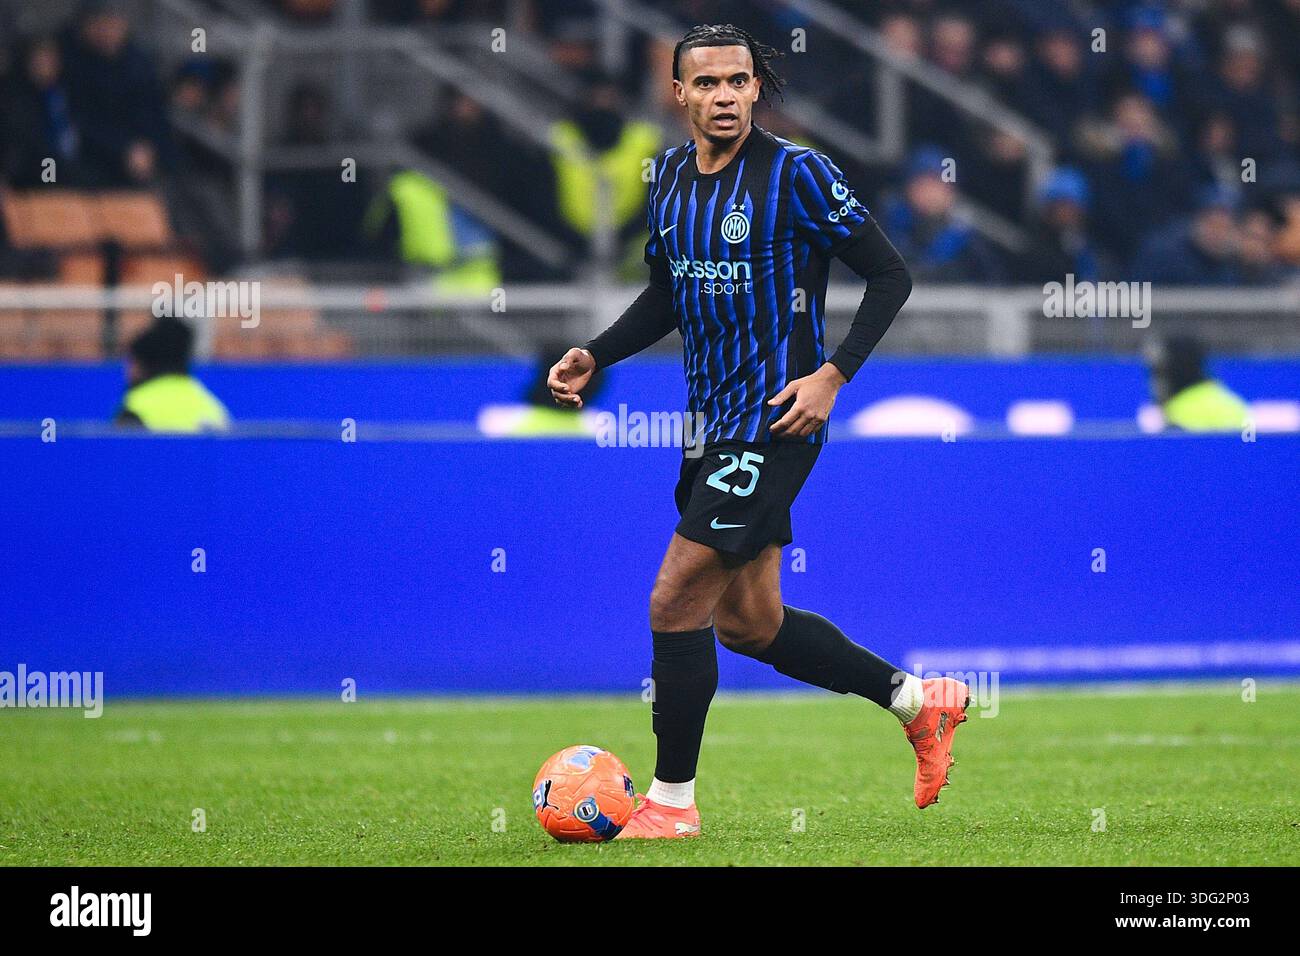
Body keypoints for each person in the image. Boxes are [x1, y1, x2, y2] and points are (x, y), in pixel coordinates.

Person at [546, 24, 969, 840]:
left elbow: (890, 274)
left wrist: (832, 376)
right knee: (749, 625)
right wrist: (596, 354)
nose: (725, 97)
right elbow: (670, 296)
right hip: (707, 424)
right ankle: (920, 703)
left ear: (755, 89)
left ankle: (671, 806)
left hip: (776, 422)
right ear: (679, 95)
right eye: (707, 84)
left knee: (673, 599)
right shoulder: (668, 177)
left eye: (739, 82)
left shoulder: (798, 174)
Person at [115, 317, 231, 433]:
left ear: (141, 365)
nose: (128, 371)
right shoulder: (213, 408)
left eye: (131, 363)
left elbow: (123, 449)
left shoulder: (135, 407)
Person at [1148, 335, 1250, 433]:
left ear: (1173, 372)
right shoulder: (1234, 404)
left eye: (1157, 371)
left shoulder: (1173, 415)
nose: (1153, 382)